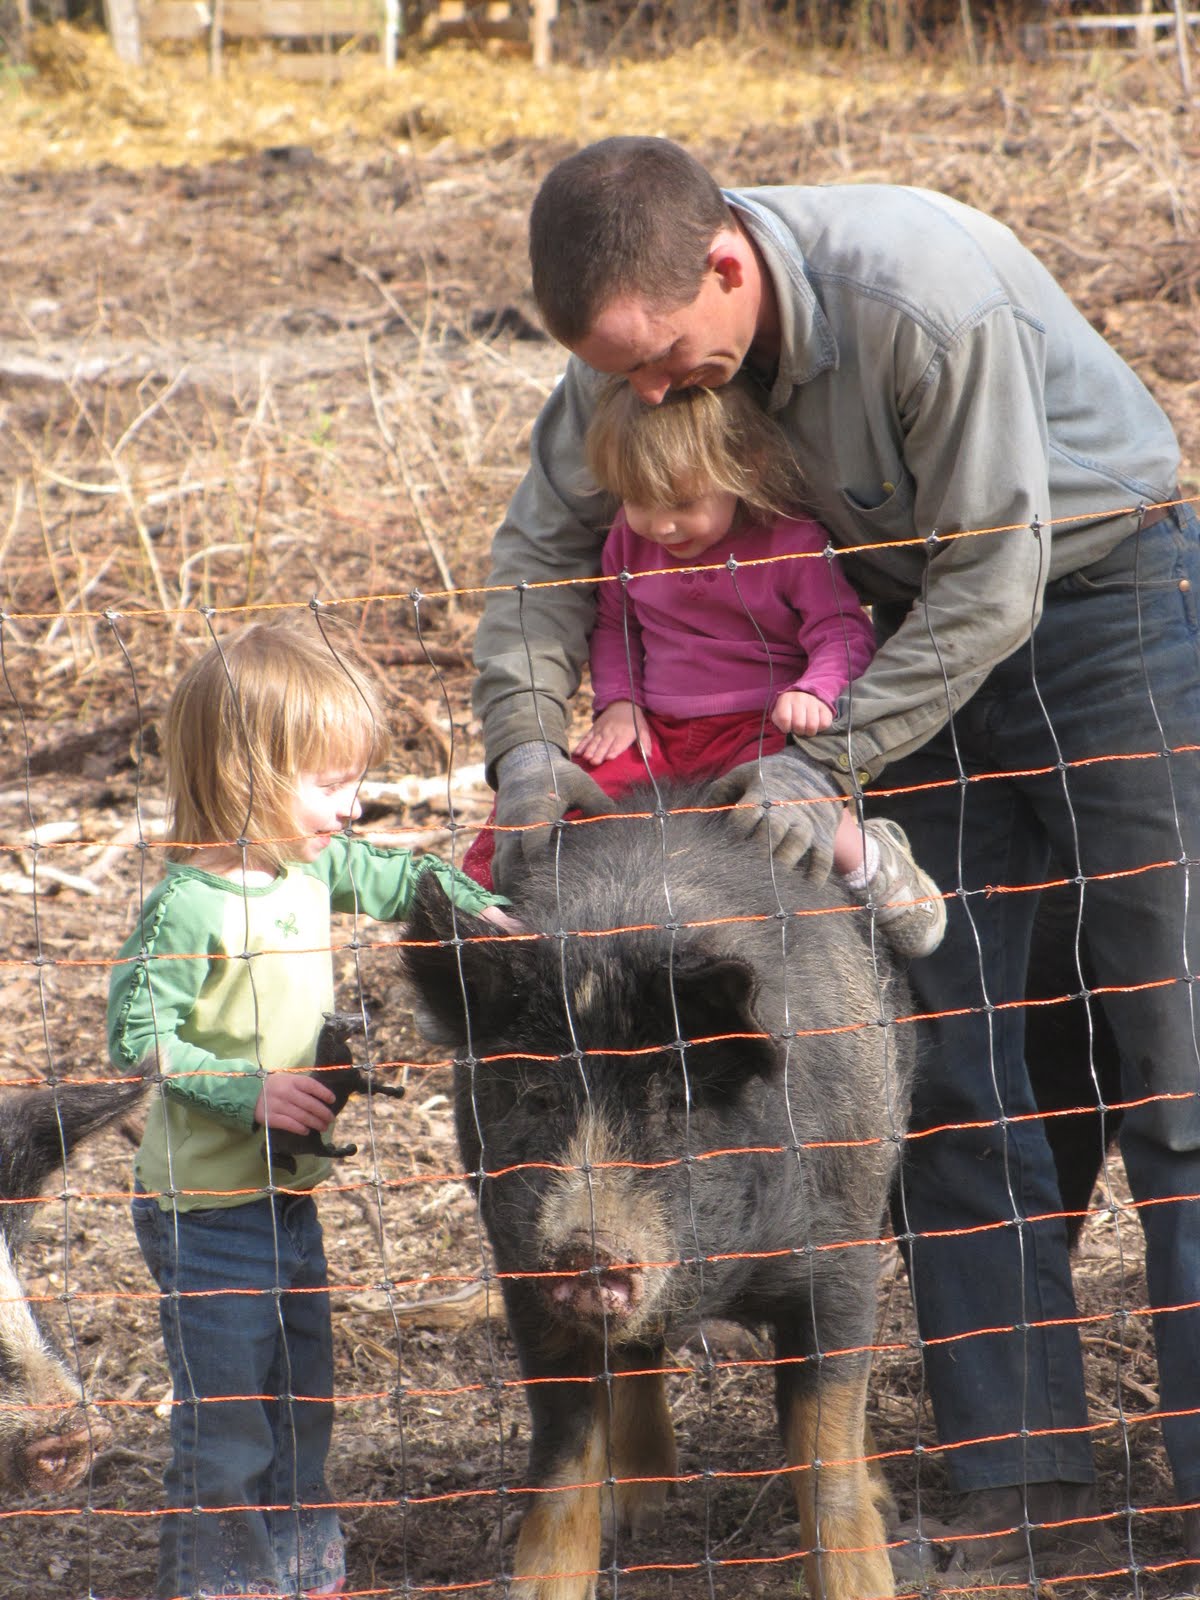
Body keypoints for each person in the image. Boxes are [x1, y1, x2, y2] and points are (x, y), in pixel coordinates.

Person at [470, 136, 1200, 1588]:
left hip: (1104, 608)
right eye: (626, 377)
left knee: (1174, 1054)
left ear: (727, 267)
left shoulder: (920, 295)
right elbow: (542, 560)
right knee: (954, 1073)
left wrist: (822, 760)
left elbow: (997, 576)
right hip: (870, 655)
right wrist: (529, 754)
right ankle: (1017, 1490)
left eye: (673, 363)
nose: (656, 396)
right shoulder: (636, 342)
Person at [108, 619, 512, 1600]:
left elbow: (397, 876)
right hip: (205, 1214)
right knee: (229, 1420)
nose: (354, 801)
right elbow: (140, 1036)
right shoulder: (186, 907)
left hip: (290, 1196)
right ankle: (224, 1582)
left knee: (304, 1398)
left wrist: (468, 901)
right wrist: (242, 1089)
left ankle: (303, 1565)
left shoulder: (304, 866)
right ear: (247, 770)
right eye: (330, 781)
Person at [464, 374, 944, 958]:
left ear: (742, 471)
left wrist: (817, 689)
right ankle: (480, 908)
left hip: (760, 726)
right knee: (555, 794)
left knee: (786, 811)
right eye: (639, 502)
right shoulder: (626, 543)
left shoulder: (791, 543)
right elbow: (616, 624)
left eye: (684, 504)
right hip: (659, 731)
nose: (661, 526)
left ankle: (874, 868)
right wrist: (620, 701)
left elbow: (840, 629)